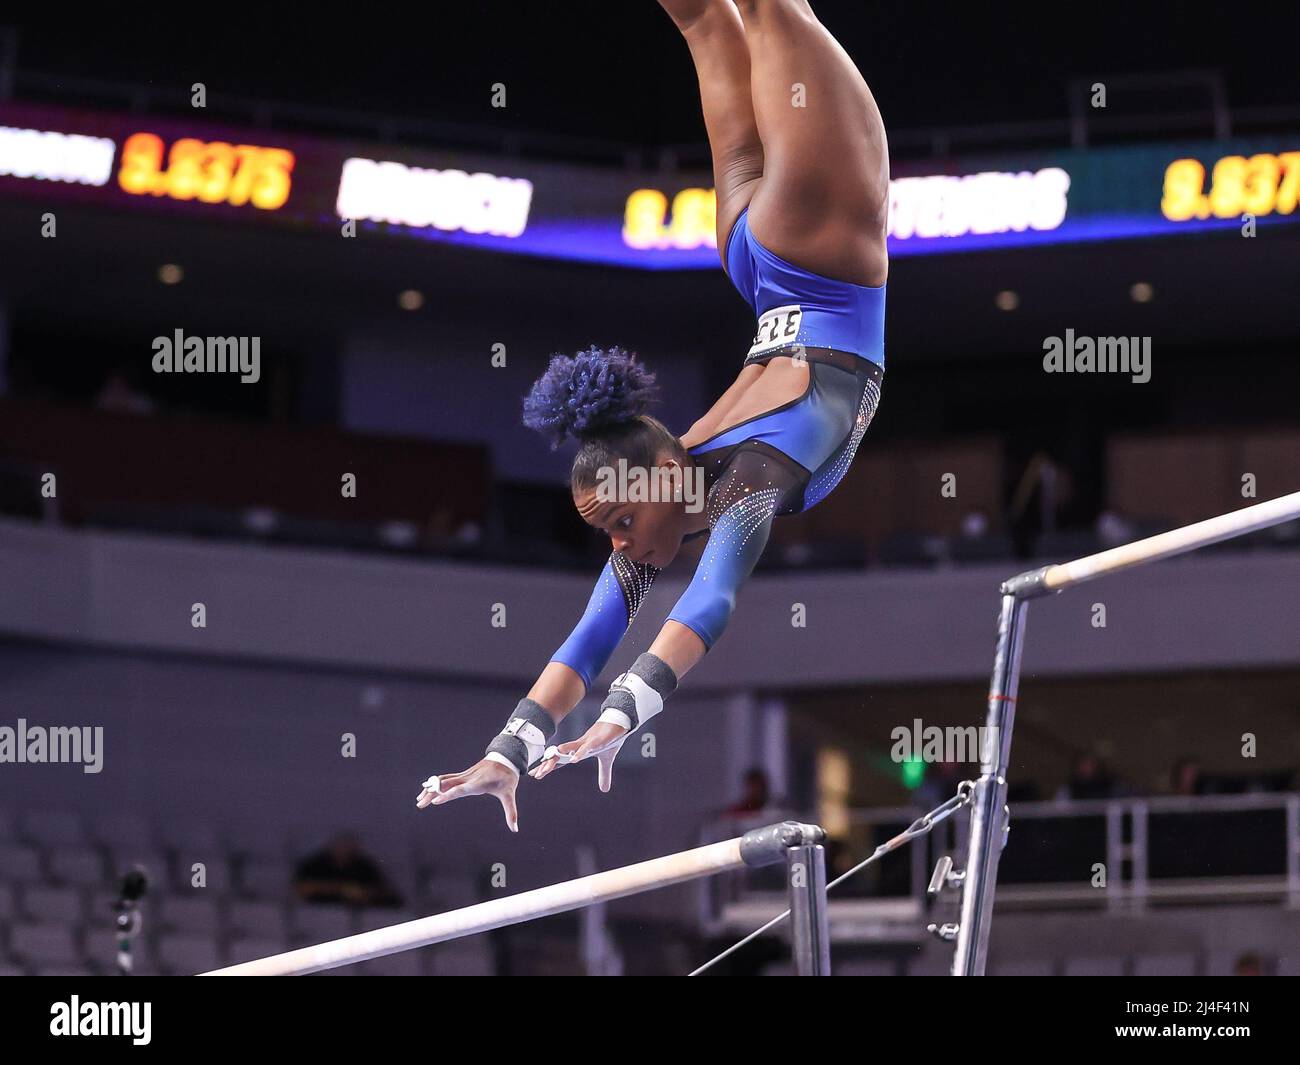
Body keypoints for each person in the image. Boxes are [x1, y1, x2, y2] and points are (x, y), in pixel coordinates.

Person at [419, 0, 889, 830]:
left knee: (764, 10)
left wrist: (622, 715)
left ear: (664, 472)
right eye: (612, 531)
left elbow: (709, 601)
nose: (621, 545)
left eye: (622, 524)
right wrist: (507, 751)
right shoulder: (682, 492)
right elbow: (589, 639)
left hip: (817, 252)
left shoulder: (748, 479)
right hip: (760, 254)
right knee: (712, 20)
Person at [293, 832, 403, 907]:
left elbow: (380, 890)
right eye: (341, 848)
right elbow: (301, 887)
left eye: (349, 849)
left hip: (357, 911)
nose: (344, 852)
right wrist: (335, 888)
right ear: (334, 848)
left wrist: (359, 892)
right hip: (317, 910)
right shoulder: (315, 864)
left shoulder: (364, 866)